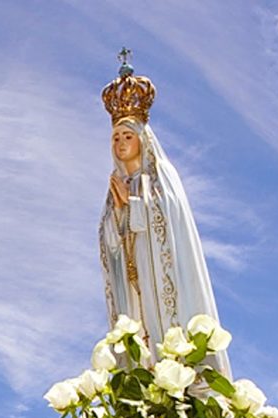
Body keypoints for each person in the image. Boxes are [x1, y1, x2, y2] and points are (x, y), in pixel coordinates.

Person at [98, 52, 231, 377]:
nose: (120, 143)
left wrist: (135, 207)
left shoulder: (160, 177)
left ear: (142, 140)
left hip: (162, 283)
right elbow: (109, 243)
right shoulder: (116, 185)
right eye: (115, 137)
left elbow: (171, 221)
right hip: (133, 288)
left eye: (127, 136)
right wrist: (117, 217)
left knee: (168, 345)